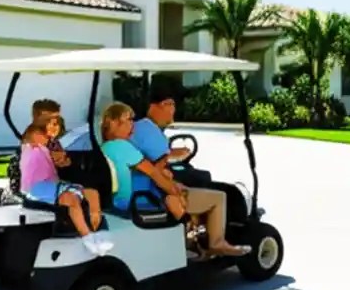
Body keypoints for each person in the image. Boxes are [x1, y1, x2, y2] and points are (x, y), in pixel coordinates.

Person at [99, 102, 249, 257]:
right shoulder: (122, 147)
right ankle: (216, 244)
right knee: (218, 198)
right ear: (115, 123)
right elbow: (154, 175)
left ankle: (193, 240)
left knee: (180, 190)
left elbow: (148, 171)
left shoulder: (105, 147)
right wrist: (174, 188)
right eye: (129, 120)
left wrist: (167, 176)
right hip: (144, 201)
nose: (133, 125)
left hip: (126, 199)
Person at [20, 117, 113, 256]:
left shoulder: (55, 146)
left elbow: (65, 163)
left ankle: (96, 228)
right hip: (41, 189)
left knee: (89, 193)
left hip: (56, 185)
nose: (51, 131)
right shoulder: (34, 150)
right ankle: (87, 236)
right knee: (71, 199)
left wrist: (64, 161)